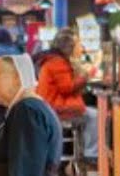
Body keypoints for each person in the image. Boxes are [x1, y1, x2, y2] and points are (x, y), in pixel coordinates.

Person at [36, 29, 98, 161]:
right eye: (78, 44)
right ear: (69, 47)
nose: (81, 47)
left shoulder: (53, 60)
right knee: (94, 116)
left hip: (50, 106)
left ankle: (84, 152)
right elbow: (67, 88)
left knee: (91, 113)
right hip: (58, 108)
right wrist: (87, 75)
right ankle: (91, 154)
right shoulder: (58, 63)